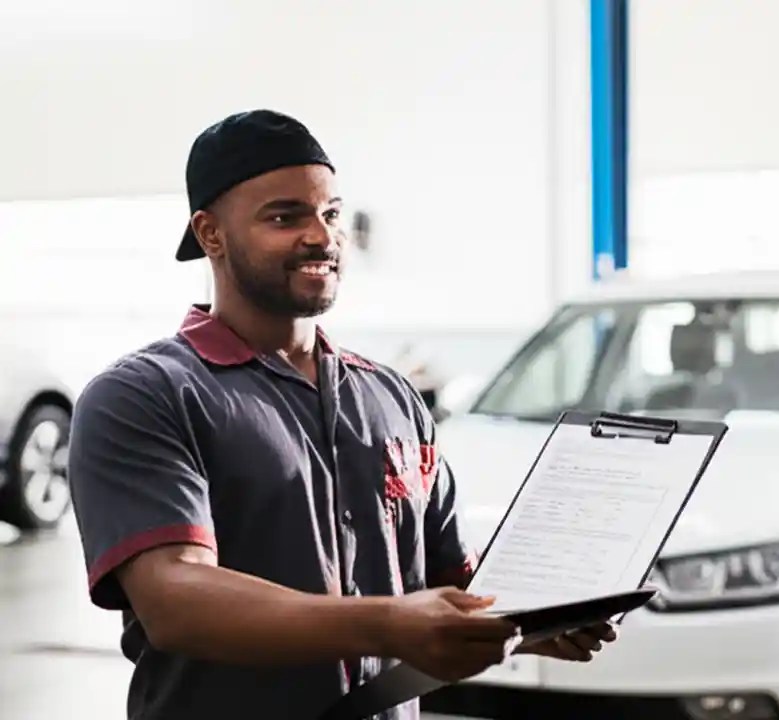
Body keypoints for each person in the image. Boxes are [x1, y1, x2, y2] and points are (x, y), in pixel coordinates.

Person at [67, 109, 615, 720]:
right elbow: (176, 600)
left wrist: (532, 617)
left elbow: (453, 585)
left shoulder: (391, 398)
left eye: (331, 215)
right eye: (285, 216)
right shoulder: (146, 395)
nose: (321, 237)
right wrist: (387, 623)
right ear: (211, 234)